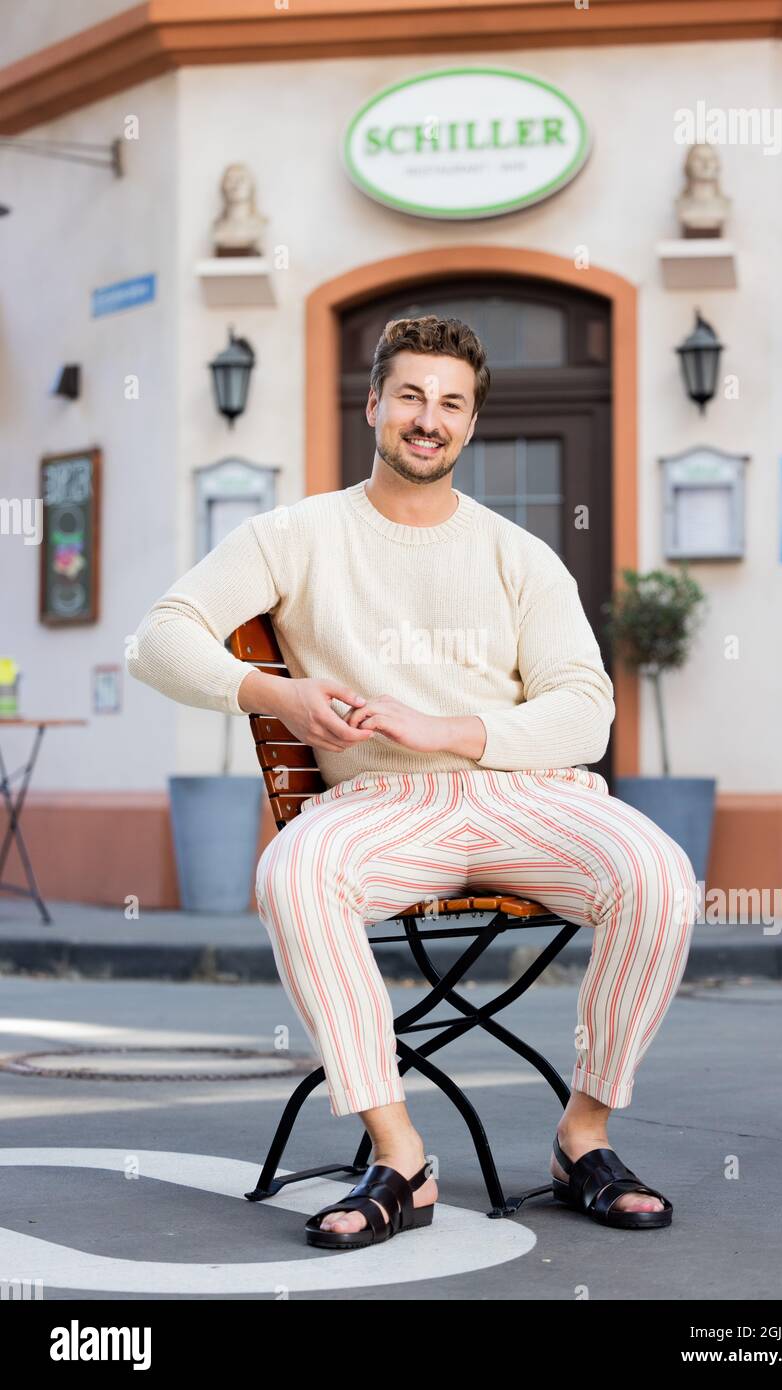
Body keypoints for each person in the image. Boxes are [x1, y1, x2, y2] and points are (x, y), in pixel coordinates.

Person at [127, 314, 698, 1248]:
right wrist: (277, 693)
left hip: (528, 794)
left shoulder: (520, 555)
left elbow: (586, 712)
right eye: (411, 398)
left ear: (471, 425)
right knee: (293, 875)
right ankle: (399, 1157)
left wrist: (450, 728)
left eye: (451, 404)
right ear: (374, 405)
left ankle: (583, 1135)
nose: (428, 419)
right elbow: (161, 636)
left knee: (661, 879)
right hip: (383, 805)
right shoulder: (295, 533)